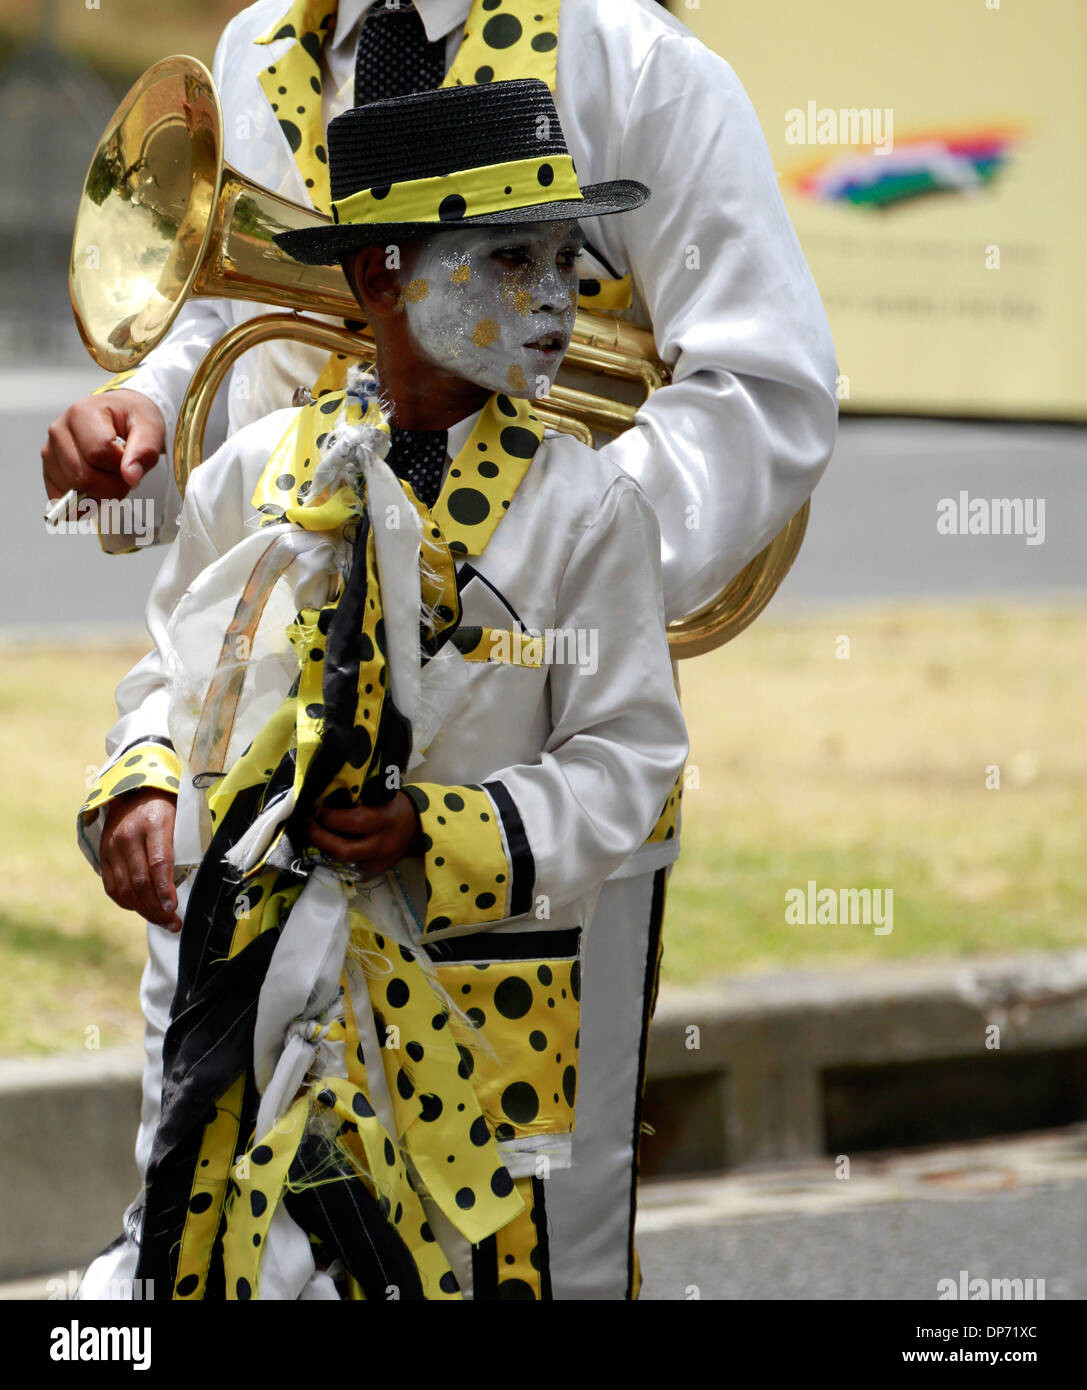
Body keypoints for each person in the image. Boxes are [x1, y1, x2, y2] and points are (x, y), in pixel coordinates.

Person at [57, 0, 839, 1298]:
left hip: (523, 773)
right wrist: (139, 422)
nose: (543, 299)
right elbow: (228, 335)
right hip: (272, 780)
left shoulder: (621, 54)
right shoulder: (261, 48)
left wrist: (522, 545)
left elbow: (766, 381)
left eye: (558, 266)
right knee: (219, 1187)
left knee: (531, 1229)